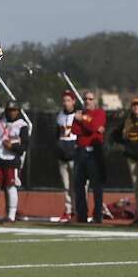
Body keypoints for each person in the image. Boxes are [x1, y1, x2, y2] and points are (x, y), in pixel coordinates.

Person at [0, 101, 29, 223]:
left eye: (14, 110)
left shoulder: (22, 125)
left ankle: (11, 215)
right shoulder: (0, 123)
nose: (12, 112)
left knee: (11, 187)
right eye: (10, 110)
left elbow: (24, 146)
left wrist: (12, 147)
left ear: (18, 111)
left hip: (12, 161)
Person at [71, 92, 106, 223]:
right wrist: (90, 126)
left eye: (90, 99)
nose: (87, 101)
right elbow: (75, 130)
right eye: (85, 99)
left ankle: (97, 215)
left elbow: (93, 127)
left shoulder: (99, 113)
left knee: (96, 185)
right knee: (78, 184)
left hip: (94, 152)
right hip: (80, 152)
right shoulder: (80, 113)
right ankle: (82, 215)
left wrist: (83, 120)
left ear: (95, 101)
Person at [54, 91, 78, 223]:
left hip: (74, 155)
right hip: (62, 155)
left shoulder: (78, 115)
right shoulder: (60, 116)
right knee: (66, 185)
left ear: (73, 101)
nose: (66, 103)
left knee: (77, 185)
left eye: (68, 100)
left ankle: (78, 209)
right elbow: (57, 134)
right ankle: (68, 210)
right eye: (64, 100)